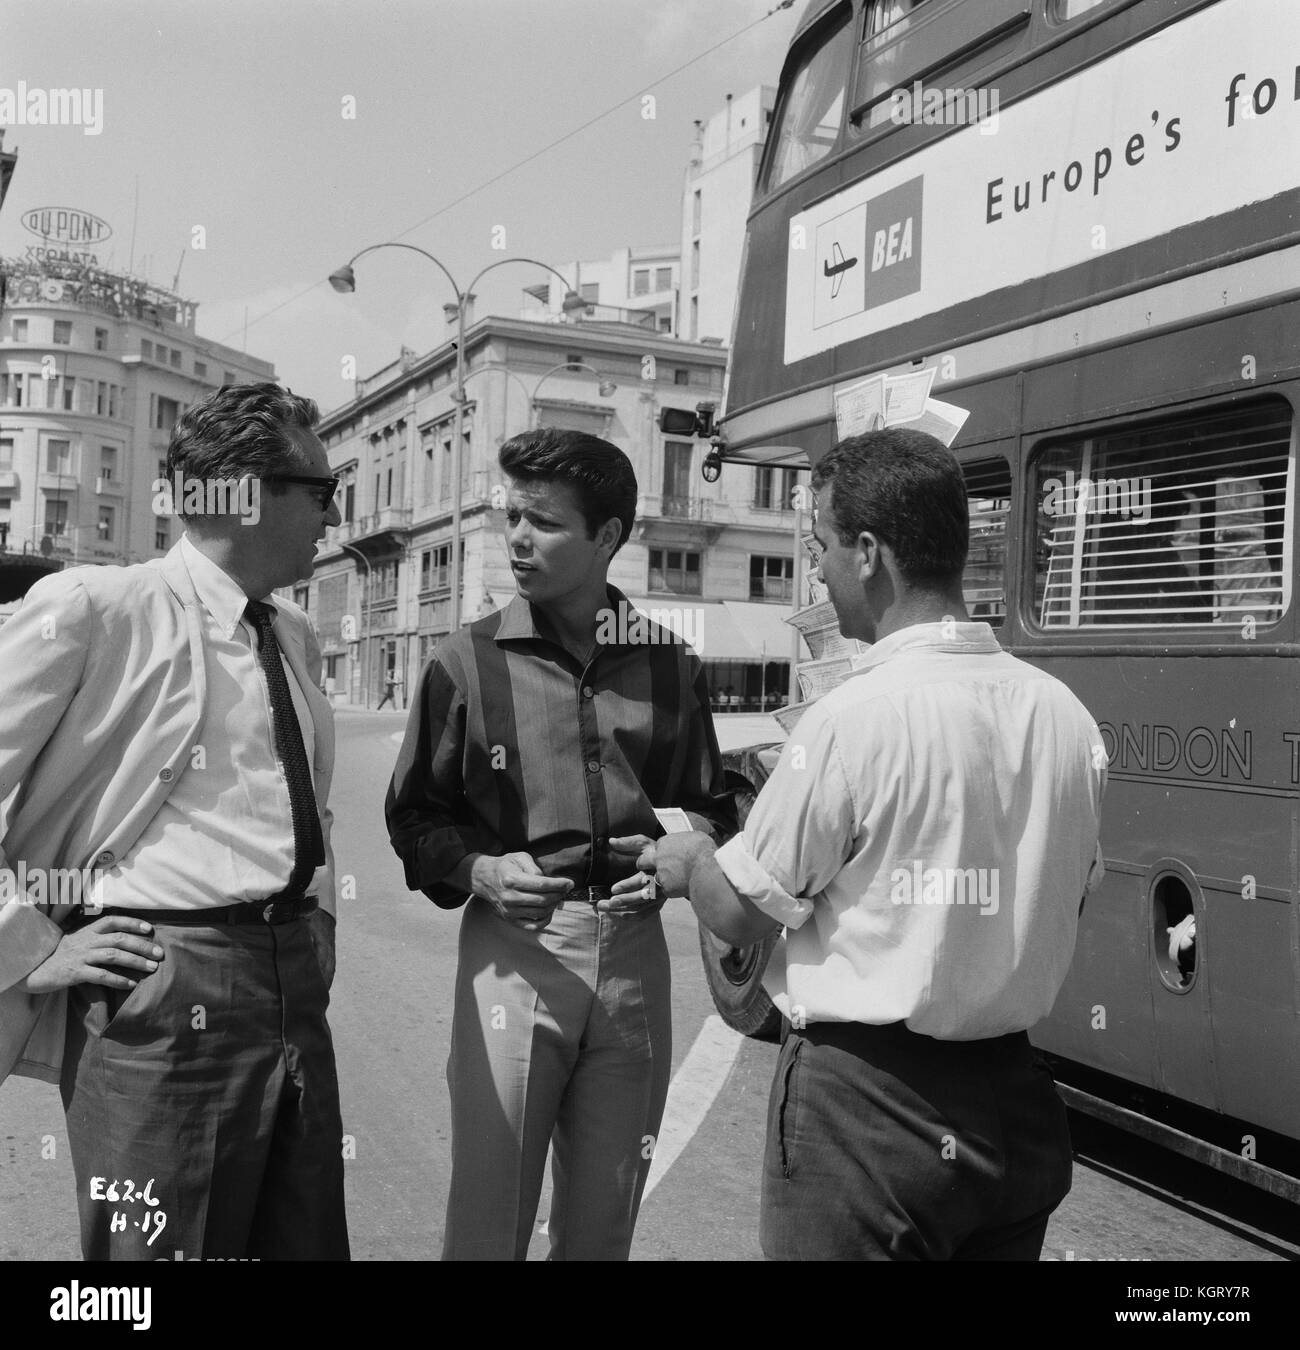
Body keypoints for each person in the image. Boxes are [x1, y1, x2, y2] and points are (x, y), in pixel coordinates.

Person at [644, 428, 1106, 1261]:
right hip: (1015, 1113)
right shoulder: (1065, 716)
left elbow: (744, 915)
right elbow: (1066, 893)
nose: (814, 570)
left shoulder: (852, 720)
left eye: (819, 545)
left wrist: (691, 864)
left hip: (865, 1121)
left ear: (867, 552)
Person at [0, 382, 349, 1261]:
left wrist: (319, 928)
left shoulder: (292, 632)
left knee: (299, 1238)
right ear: (243, 490)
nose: (331, 517)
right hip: (163, 986)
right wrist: (28, 941)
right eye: (321, 489)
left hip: (291, 979)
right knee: (152, 1264)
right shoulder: (97, 608)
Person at [386, 427, 735, 1261]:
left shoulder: (670, 667)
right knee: (488, 1210)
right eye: (511, 516)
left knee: (605, 1217)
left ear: (608, 537)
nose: (515, 538)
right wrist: (478, 869)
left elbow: (716, 810)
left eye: (542, 522)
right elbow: (415, 818)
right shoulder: (463, 662)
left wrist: (680, 862)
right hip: (515, 950)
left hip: (635, 959)